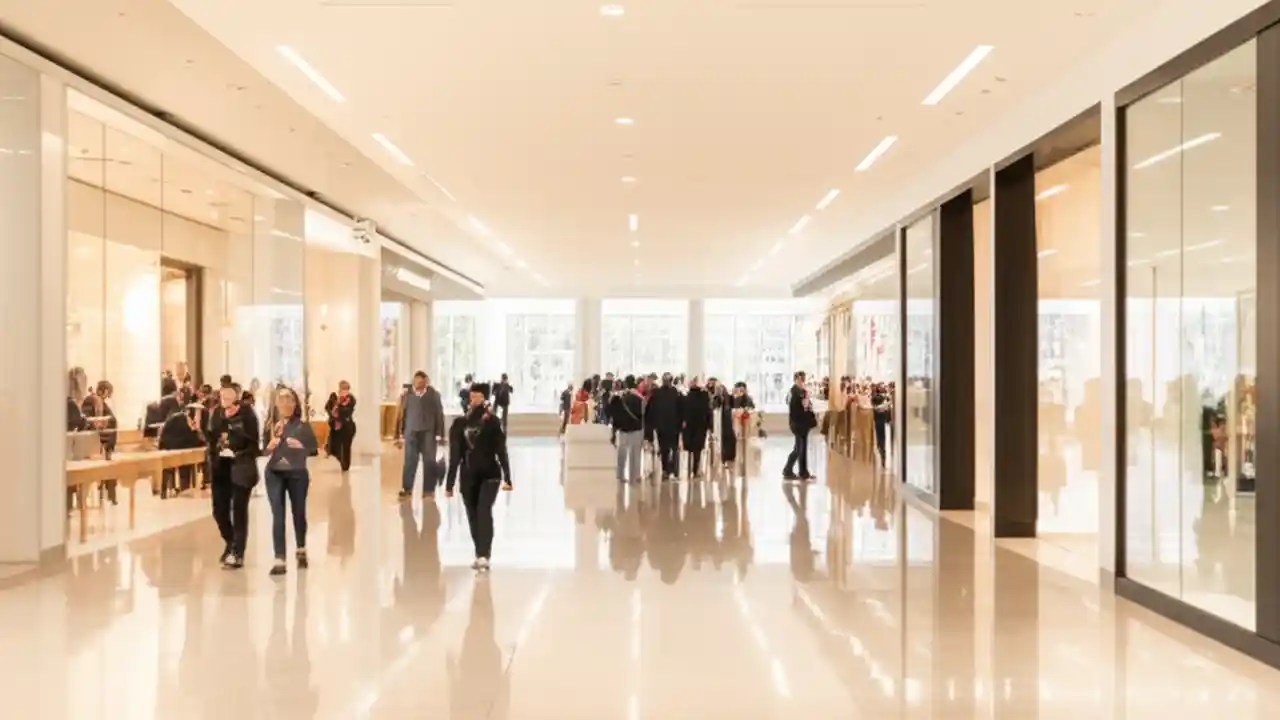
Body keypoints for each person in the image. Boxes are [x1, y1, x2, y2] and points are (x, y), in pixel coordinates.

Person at [445, 383, 513, 571]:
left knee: (484, 510)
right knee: (472, 514)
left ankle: (485, 554)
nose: (474, 400)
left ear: (485, 399)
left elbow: (501, 449)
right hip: (468, 475)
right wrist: (449, 482)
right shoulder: (459, 424)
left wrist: (508, 475)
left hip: (490, 474)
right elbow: (455, 454)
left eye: (478, 397)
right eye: (472, 396)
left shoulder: (493, 422)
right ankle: (478, 552)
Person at [264, 387, 318, 576]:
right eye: (281, 399)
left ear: (295, 403)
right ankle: (279, 558)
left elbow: (313, 449)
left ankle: (300, 547)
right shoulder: (271, 425)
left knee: (298, 512)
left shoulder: (302, 426)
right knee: (278, 514)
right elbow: (262, 449)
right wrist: (268, 447)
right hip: (274, 473)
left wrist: (301, 446)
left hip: (296, 473)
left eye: (289, 399)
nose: (285, 403)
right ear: (276, 403)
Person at [207, 385, 261, 569]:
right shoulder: (217, 414)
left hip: (241, 468)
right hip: (221, 468)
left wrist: (237, 450)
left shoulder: (248, 415)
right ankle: (231, 542)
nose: (226, 404)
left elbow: (254, 445)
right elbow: (211, 438)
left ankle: (238, 553)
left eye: (231, 400)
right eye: (223, 398)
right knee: (219, 511)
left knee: (239, 510)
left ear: (238, 399)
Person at [397, 371, 447, 500]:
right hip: (411, 432)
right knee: (410, 461)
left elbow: (439, 414)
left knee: (429, 461)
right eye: (417, 381)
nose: (419, 384)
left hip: (428, 433)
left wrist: (440, 434)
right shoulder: (407, 395)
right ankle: (407, 489)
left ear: (426, 382)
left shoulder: (434, 395)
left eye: (422, 381)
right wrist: (400, 434)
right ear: (413, 381)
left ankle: (428, 490)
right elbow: (402, 415)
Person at [82, 380, 119, 504]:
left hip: (104, 440)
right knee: (110, 464)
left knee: (112, 465)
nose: (108, 397)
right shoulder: (91, 400)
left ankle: (110, 493)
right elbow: (87, 420)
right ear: (105, 391)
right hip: (95, 440)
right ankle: (109, 493)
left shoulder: (100, 402)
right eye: (108, 394)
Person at [158, 403, 204, 497]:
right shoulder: (184, 421)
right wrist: (198, 434)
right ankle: (185, 489)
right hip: (177, 450)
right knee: (186, 466)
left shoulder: (175, 417)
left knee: (169, 469)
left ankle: (165, 491)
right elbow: (192, 440)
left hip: (167, 449)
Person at [645, 373, 683, 481]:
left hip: (669, 426)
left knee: (671, 450)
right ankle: (668, 470)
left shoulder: (664, 393)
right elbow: (651, 410)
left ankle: (671, 470)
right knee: (665, 450)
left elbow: (681, 409)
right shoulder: (662, 393)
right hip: (666, 426)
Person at [609, 375, 645, 483]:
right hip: (636, 428)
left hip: (623, 429)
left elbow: (615, 415)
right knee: (635, 454)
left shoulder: (620, 398)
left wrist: (614, 431)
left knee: (622, 453)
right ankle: (635, 475)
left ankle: (620, 475)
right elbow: (643, 414)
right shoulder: (640, 398)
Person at [783, 371, 817, 481]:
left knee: (801, 448)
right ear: (796, 379)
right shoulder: (795, 392)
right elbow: (796, 410)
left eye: (803, 379)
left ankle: (803, 472)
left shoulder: (800, 392)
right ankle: (788, 470)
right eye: (800, 379)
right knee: (799, 449)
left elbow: (807, 406)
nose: (802, 381)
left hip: (802, 424)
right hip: (798, 424)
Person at [682, 377, 712, 478]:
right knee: (697, 450)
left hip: (689, 426)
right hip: (701, 426)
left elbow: (684, 413)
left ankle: (688, 468)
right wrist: (709, 426)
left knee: (690, 449)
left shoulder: (687, 397)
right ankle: (695, 470)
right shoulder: (704, 398)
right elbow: (708, 412)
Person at [325, 380, 357, 472]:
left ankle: (345, 465)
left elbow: (347, 411)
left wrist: (340, 406)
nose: (344, 390)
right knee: (334, 446)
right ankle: (341, 460)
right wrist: (333, 411)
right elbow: (328, 407)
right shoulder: (334, 397)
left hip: (347, 427)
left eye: (346, 388)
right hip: (336, 428)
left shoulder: (351, 399)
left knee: (346, 447)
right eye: (342, 388)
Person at [872, 382, 893, 466]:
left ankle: (879, 445)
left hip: (878, 420)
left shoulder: (875, 406)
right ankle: (882, 446)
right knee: (882, 434)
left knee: (878, 432)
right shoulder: (881, 405)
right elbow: (886, 405)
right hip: (881, 421)